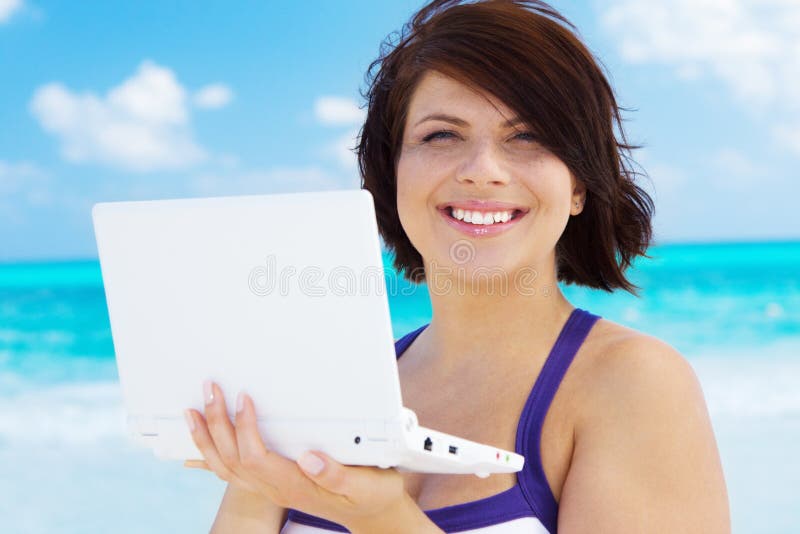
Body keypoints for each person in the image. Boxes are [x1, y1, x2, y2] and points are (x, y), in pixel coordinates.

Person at [183, 1, 731, 532]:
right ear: (391, 174)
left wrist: (382, 520)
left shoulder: (634, 384)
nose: (482, 171)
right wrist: (256, 480)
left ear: (579, 185)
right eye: (442, 134)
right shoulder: (332, 388)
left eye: (528, 136)